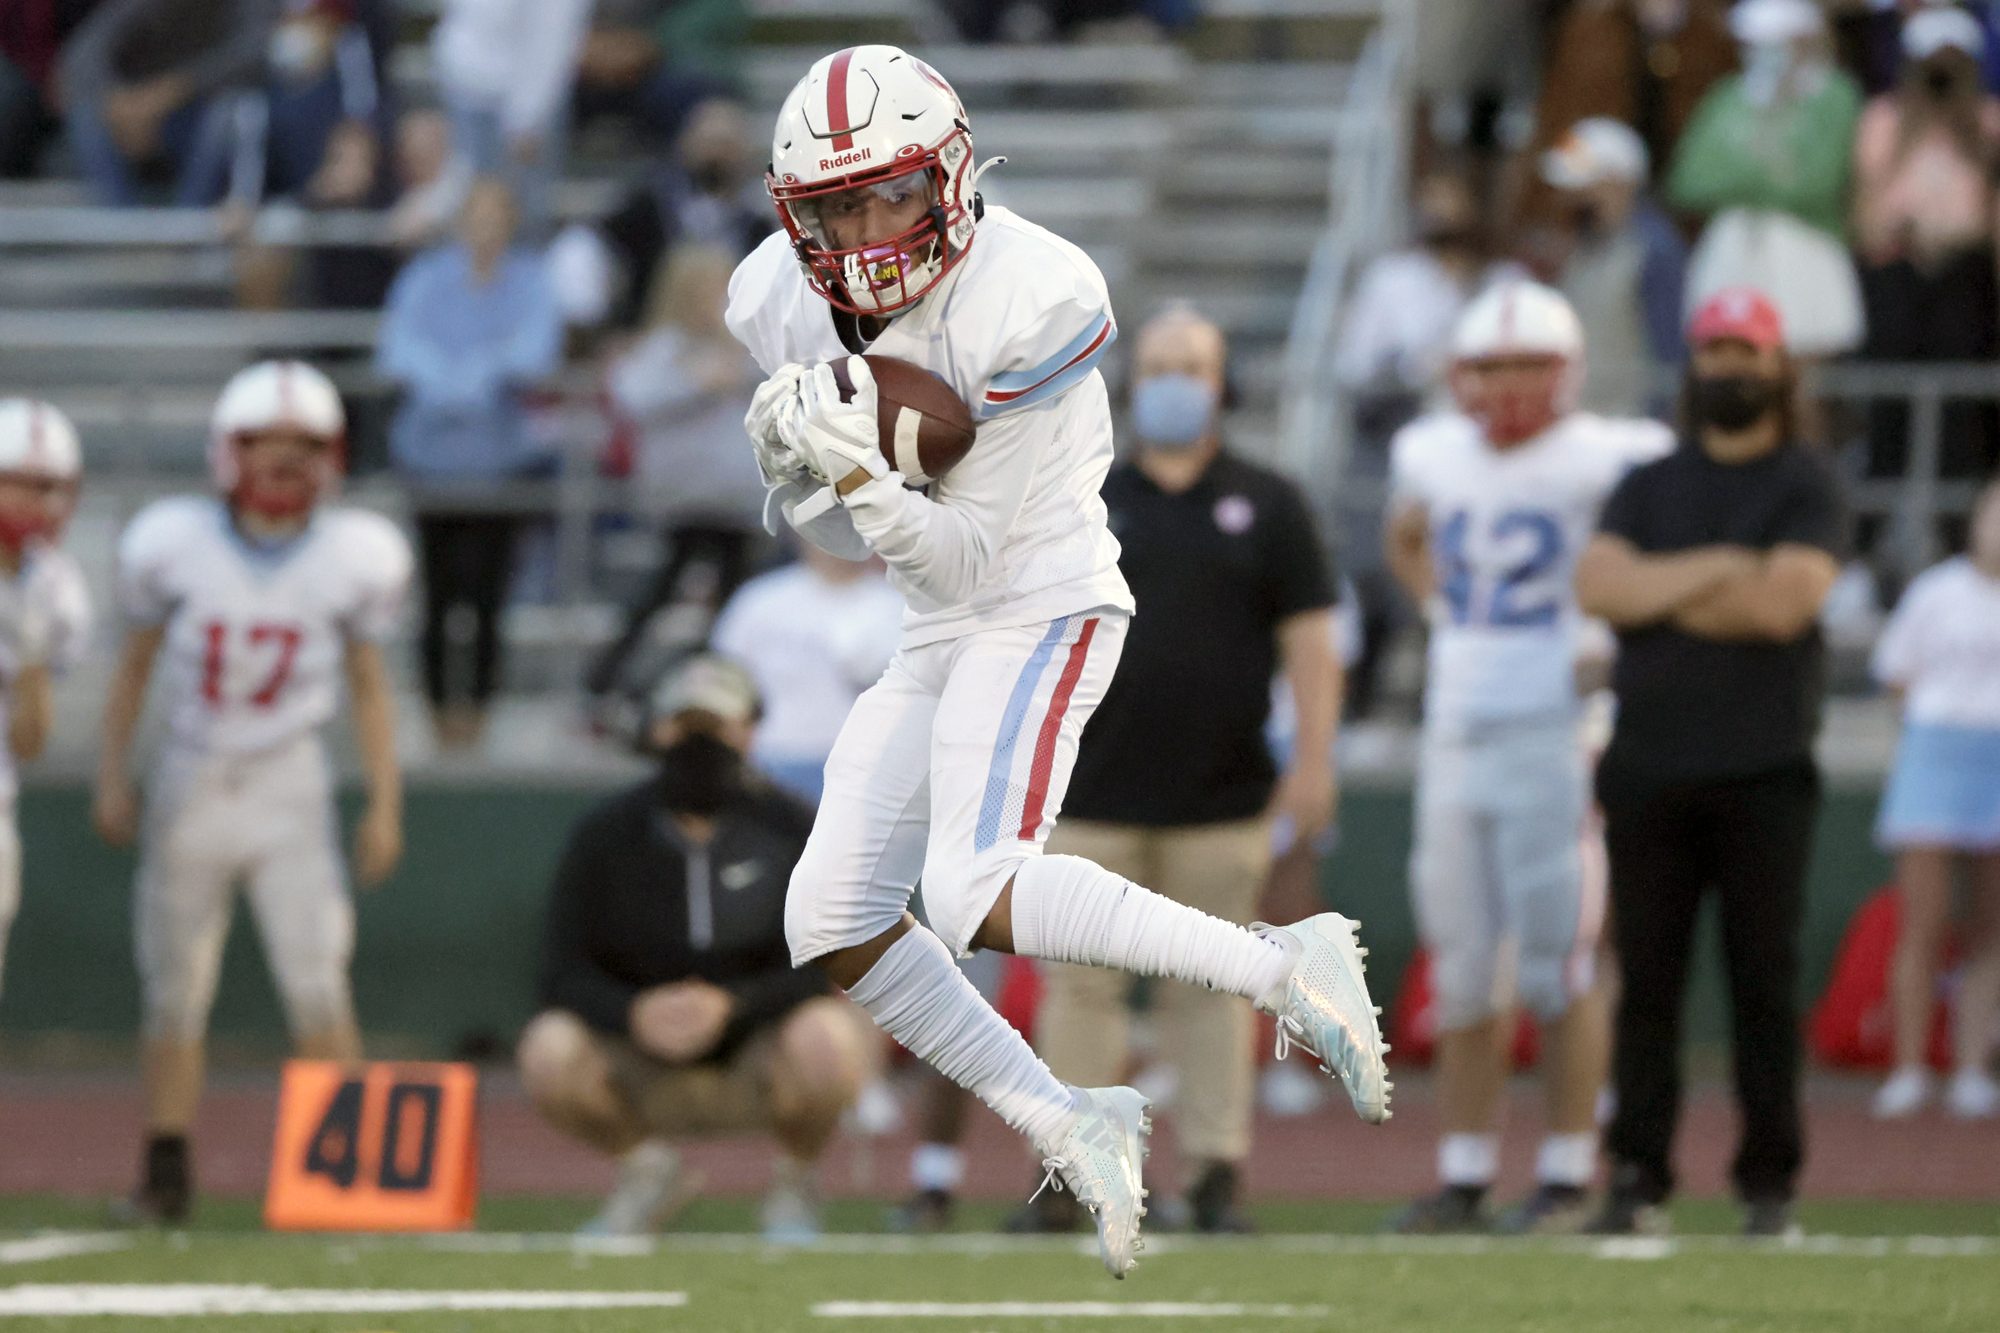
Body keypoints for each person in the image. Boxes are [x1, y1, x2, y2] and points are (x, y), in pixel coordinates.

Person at [731, 44, 1389, 1278]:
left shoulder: (1036, 289)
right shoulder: (770, 294)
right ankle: (1067, 1115)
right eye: (836, 205)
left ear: (952, 176)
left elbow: (968, 558)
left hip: (1040, 597)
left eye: (892, 194)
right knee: (827, 916)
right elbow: (838, 535)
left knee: (974, 884)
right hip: (939, 622)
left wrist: (864, 469)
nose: (868, 230)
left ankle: (1283, 963)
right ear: (795, 215)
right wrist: (806, 463)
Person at [1020, 307, 1343, 1236]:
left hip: (1221, 794)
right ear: (1131, 379)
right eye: (1160, 363)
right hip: (1087, 789)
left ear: (1221, 381)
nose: (1175, 380)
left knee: (1208, 988)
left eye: (1192, 365)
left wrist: (1313, 763)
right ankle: (1075, 1168)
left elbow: (1313, 640)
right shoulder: (1079, 492)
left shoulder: (1270, 502)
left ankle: (1214, 1173)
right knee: (1080, 989)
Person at [1383, 282, 1673, 1234]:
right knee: (1463, 962)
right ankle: (1464, 1171)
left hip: (1558, 731)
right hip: (1459, 726)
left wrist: (1613, 636)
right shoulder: (1432, 452)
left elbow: (1654, 552)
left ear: (1567, 372)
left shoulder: (1615, 457)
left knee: (1561, 962)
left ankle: (1566, 1165)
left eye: (1526, 367)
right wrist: (1435, 606)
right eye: (1492, 367)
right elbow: (1406, 537)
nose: (1507, 386)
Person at [93, 360, 411, 1224]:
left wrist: (385, 801)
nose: (286, 460)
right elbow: (134, 667)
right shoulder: (173, 540)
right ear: (227, 452)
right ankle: (165, 1173)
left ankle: (351, 1173)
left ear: (333, 455)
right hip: (191, 776)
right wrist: (112, 770)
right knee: (173, 988)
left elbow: (370, 684)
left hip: (290, 781)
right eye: (267, 445)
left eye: (304, 446)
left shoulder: (356, 551)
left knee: (317, 981)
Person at [1574, 287, 1845, 1237]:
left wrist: (1663, 589)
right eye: (1714, 350)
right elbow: (1600, 584)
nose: (1729, 366)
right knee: (1644, 984)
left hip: (1765, 768)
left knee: (1762, 983)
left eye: (1746, 350)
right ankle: (1636, 1175)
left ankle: (1768, 1183)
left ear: (1778, 365)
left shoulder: (1808, 482)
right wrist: (1727, 564)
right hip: (1647, 767)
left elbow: (1783, 608)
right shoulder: (1650, 482)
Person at [518, 654, 868, 1241]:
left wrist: (734, 1005)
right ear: (657, 730)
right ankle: (646, 1169)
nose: (699, 745)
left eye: (717, 727)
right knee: (548, 1049)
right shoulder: (606, 834)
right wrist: (634, 1011)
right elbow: (561, 968)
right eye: (685, 727)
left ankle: (794, 1183)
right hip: (638, 1050)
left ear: (749, 730)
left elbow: (828, 961)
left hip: (758, 1048)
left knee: (831, 1038)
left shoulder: (792, 828)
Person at [376, 177, 562, 751]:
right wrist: (472, 381)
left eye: (495, 214)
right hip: (430, 461)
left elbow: (535, 353)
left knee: (487, 597)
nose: (484, 226)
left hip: (500, 464)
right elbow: (398, 350)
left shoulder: (532, 282)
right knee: (436, 595)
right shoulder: (424, 279)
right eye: (475, 214)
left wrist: (459, 380)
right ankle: (438, 717)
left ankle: (476, 717)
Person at [1332, 170, 1496, 716]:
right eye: (1434, 209)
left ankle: (1437, 701)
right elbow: (1355, 367)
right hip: (1395, 436)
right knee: (1374, 570)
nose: (1444, 222)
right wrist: (1413, 365)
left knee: (1453, 569)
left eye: (1454, 209)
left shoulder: (1494, 285)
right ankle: (1364, 702)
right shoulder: (1393, 279)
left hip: (1469, 449)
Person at [1867, 478, 2000, 1121]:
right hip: (1934, 756)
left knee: (1989, 928)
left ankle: (1973, 1069)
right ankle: (1909, 1068)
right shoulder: (1936, 592)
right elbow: (1896, 674)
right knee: (1919, 923)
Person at [588, 244, 768, 712]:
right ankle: (607, 682)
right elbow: (631, 398)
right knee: (661, 595)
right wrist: (696, 384)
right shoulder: (662, 349)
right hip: (682, 501)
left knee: (735, 602)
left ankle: (720, 687)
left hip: (740, 503)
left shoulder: (752, 347)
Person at [1668, 0, 1866, 357]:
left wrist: (1743, 176)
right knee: (1724, 350)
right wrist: (1764, 178)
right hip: (1732, 247)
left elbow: (1818, 185)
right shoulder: (1727, 96)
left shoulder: (1835, 96)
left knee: (1802, 363)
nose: (1761, 53)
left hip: (1806, 247)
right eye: (1753, 42)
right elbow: (1688, 181)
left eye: (1776, 42)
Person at [1853, 7, 2000, 486]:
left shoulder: (1988, 123)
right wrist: (1912, 133)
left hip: (1966, 272)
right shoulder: (1884, 120)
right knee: (1889, 400)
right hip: (1895, 267)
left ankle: (1955, 526)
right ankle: (1878, 524)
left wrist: (1966, 128)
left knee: (1960, 404)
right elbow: (1865, 221)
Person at [0, 400, 91, 1001]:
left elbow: (29, 744)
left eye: (51, 488)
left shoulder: (55, 589)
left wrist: (29, 656)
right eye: (22, 486)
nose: (39, 503)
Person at [710, 543, 903, 805]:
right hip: (769, 756)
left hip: (862, 764)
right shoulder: (759, 599)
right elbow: (724, 674)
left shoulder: (896, 603)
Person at [59, 0, 279, 206]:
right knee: (88, 109)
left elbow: (254, 52)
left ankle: (186, 228)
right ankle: (120, 228)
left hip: (201, 116)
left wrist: (175, 89)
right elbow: (83, 53)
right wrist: (121, 105)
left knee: (234, 108)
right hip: (139, 116)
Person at [1539, 118, 1687, 418]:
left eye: (1587, 184)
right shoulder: (1585, 249)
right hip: (1583, 420)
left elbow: (1669, 360)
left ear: (1618, 181)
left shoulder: (1654, 250)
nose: (1572, 196)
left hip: (1629, 424)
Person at [428, 0, 592, 233]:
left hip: (517, 103)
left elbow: (555, 34)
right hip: (463, 88)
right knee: (466, 214)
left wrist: (528, 116)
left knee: (520, 217)